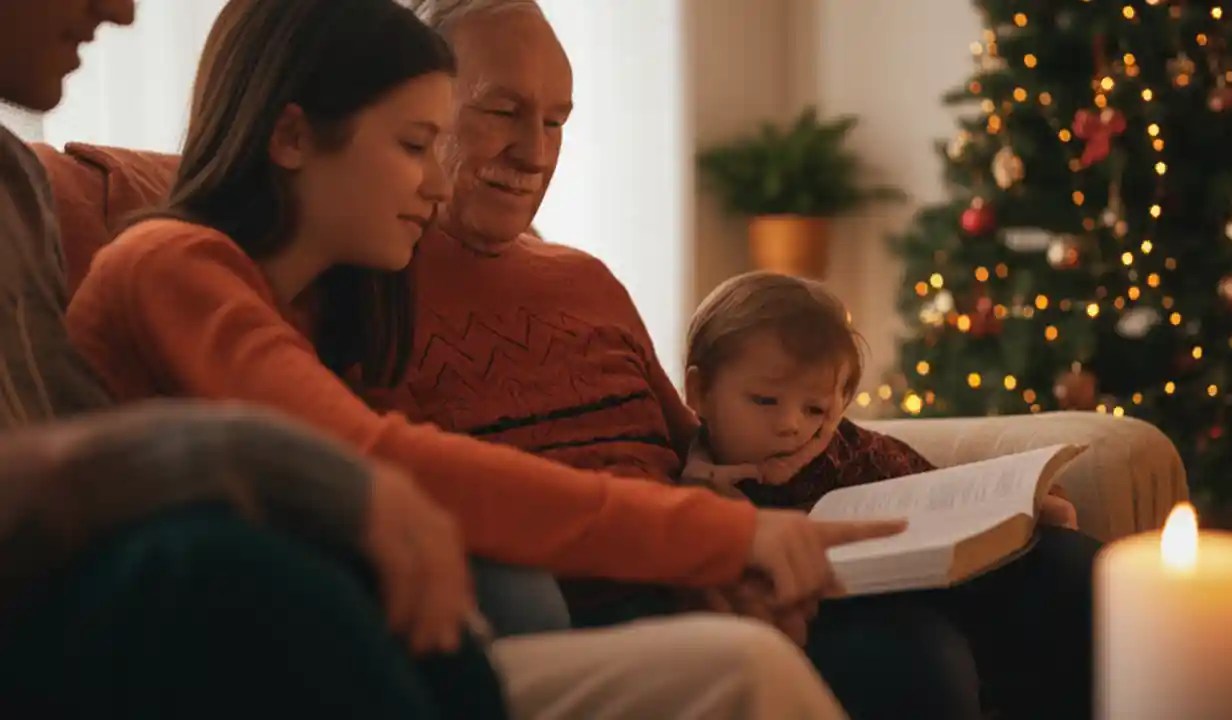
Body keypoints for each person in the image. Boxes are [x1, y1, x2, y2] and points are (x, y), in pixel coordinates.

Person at [0, 1, 852, 718]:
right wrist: (722, 537)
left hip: (332, 627)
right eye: (415, 147)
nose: (441, 185)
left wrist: (718, 531)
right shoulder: (173, 265)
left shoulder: (340, 301)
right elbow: (371, 462)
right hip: (195, 636)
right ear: (292, 138)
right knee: (580, 612)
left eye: (557, 122)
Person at [387, 2, 1097, 717]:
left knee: (1073, 572)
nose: (535, 154)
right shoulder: (370, 291)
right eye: (501, 110)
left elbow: (702, 441)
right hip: (621, 602)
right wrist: (699, 549)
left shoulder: (584, 280)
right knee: (908, 658)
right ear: (418, 108)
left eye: (556, 121)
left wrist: (980, 498)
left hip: (725, 561)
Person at [679, 271, 1099, 719]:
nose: (791, 425)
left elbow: (933, 490)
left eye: (815, 408)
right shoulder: (694, 489)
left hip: (937, 581)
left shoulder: (844, 449)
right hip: (845, 618)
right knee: (927, 657)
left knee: (1073, 564)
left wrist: (1021, 507)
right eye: (765, 400)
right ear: (700, 392)